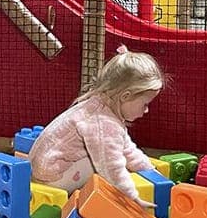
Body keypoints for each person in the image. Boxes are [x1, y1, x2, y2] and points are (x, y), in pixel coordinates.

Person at [29, 45, 164, 205]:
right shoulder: (104, 123)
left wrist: (151, 172)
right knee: (107, 163)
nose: (147, 110)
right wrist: (131, 196)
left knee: (115, 154)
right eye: (145, 104)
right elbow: (110, 166)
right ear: (125, 96)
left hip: (42, 170)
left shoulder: (101, 105)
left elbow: (127, 149)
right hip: (51, 180)